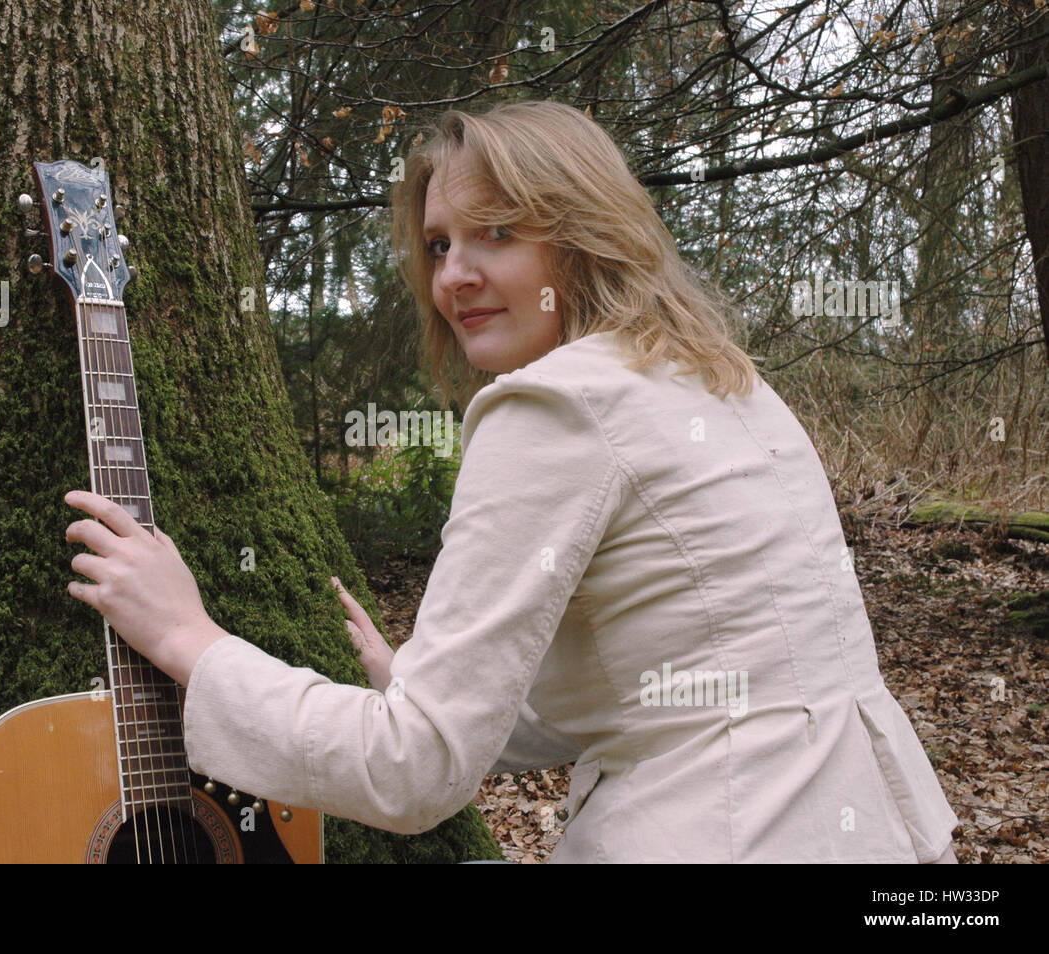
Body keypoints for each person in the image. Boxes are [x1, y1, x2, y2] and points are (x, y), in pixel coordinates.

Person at [63, 100, 960, 863]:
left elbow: (412, 774)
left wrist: (189, 639)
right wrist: (427, 681)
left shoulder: (555, 407)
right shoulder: (722, 380)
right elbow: (680, 683)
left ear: (581, 236)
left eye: (496, 232)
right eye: (439, 243)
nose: (454, 275)